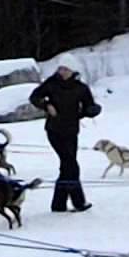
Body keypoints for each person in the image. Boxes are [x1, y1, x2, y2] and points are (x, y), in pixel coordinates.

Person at [29, 60, 101, 213]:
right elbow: (34, 97)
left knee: (67, 167)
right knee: (71, 165)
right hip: (54, 130)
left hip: (71, 131)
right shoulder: (51, 83)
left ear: (73, 71)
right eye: (60, 69)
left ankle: (59, 204)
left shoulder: (81, 88)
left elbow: (88, 106)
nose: (62, 72)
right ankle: (78, 202)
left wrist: (93, 110)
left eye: (66, 69)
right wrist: (46, 105)